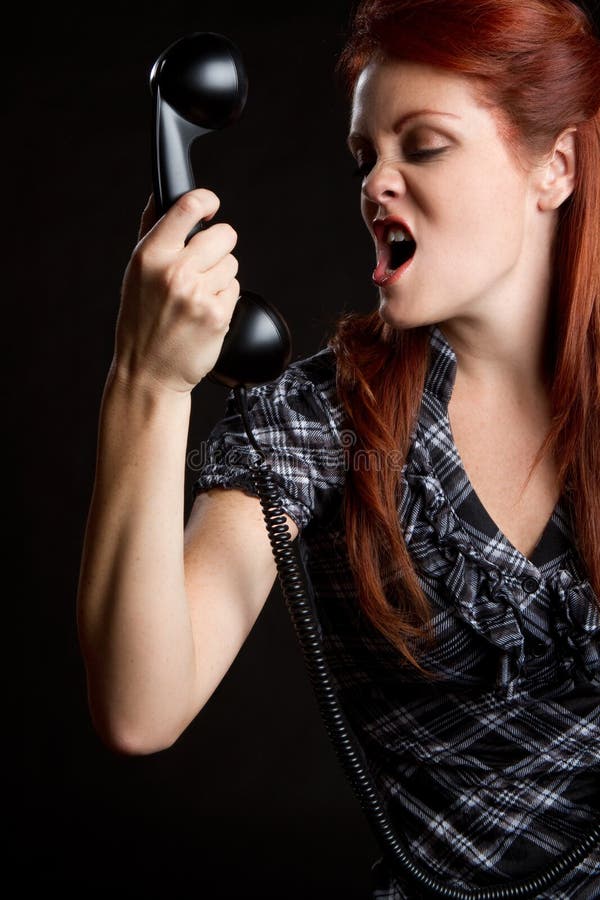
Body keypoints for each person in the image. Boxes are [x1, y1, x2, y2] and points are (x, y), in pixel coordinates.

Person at [76, 0, 600, 896]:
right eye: (366, 157)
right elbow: (140, 708)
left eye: (422, 147)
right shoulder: (319, 424)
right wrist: (148, 381)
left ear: (553, 169)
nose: (375, 184)